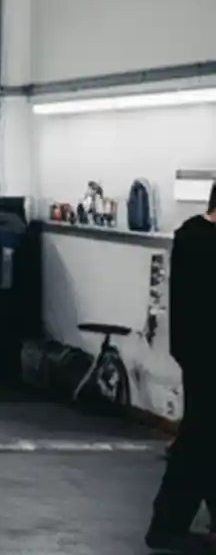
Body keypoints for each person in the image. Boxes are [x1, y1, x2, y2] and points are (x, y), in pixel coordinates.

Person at [148, 183, 216, 552]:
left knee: (205, 442)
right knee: (198, 442)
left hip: (198, 353)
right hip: (207, 356)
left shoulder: (192, 237)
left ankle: (172, 523)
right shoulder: (202, 243)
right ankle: (166, 525)